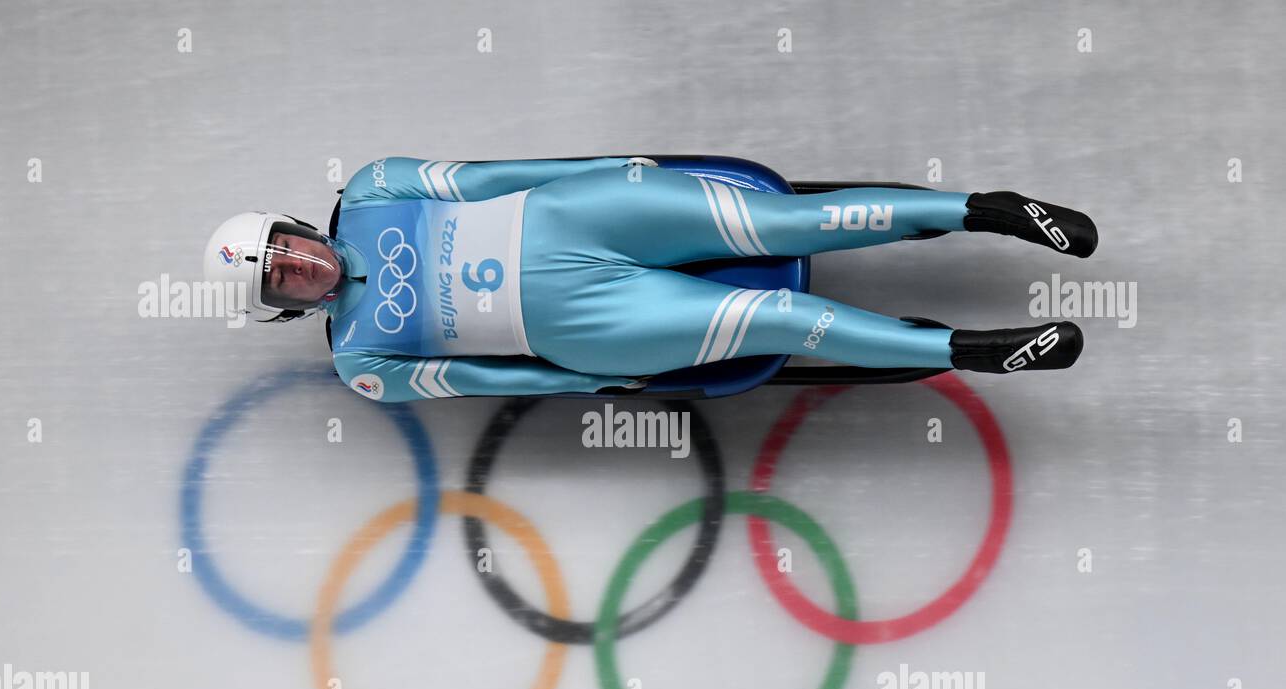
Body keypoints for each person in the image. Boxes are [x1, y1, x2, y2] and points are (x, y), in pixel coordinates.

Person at [203, 156, 1095, 401]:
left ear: (292, 226)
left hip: (570, 214)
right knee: (775, 314)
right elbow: (481, 379)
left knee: (783, 222)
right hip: (582, 319)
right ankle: (974, 349)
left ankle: (986, 208)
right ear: (286, 308)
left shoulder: (370, 189)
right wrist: (598, 382)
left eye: (284, 248)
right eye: (282, 282)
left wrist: (614, 168)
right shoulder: (362, 362)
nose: (299, 267)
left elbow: (488, 176)